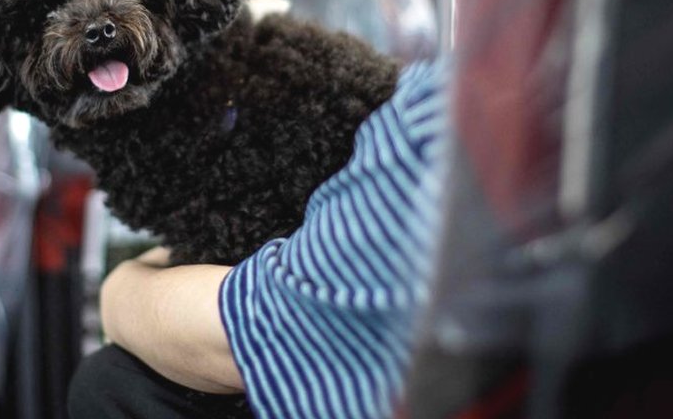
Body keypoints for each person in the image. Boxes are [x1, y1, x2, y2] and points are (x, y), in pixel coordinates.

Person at [68, 60, 448, 418]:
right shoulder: (446, 102)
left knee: (109, 382)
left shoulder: (436, 121)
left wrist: (118, 292)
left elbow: (268, 330)